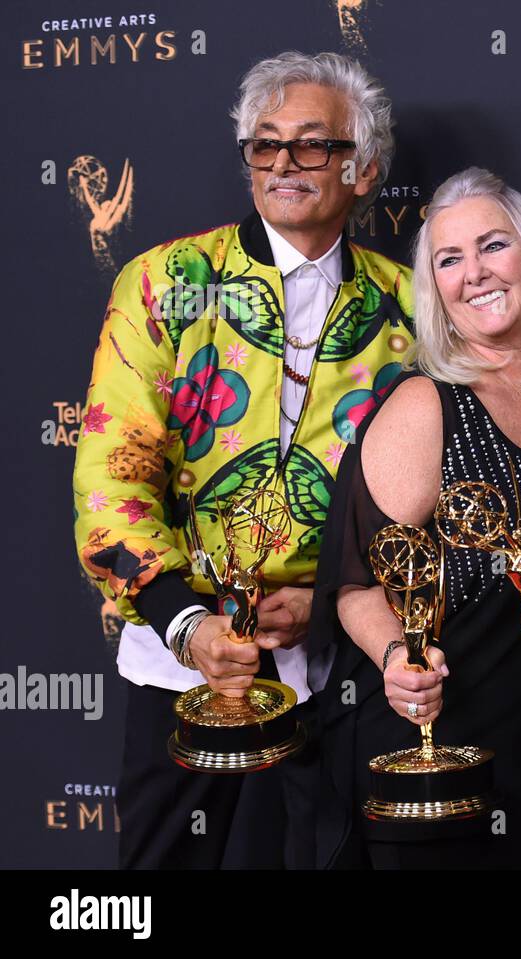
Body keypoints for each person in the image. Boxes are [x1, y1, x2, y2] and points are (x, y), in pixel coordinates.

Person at [72, 51, 414, 868]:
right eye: (264, 146)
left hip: (337, 675)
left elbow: (423, 502)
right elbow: (109, 478)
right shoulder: (163, 282)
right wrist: (186, 626)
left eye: (311, 146)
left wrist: (329, 601)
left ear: (363, 169)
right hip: (178, 668)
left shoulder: (411, 304)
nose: (284, 165)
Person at [308, 167, 521, 868]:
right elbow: (355, 584)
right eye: (448, 259)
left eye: (493, 245)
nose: (474, 273)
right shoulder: (426, 404)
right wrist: (394, 659)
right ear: (433, 288)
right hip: (438, 762)